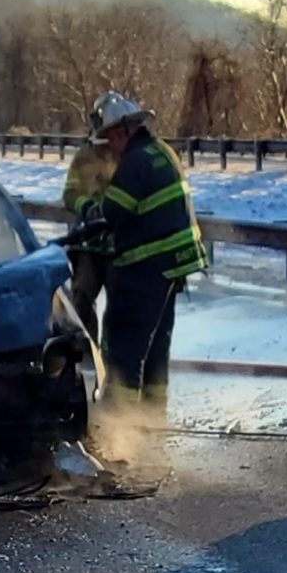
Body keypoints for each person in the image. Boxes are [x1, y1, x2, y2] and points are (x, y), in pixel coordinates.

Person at [82, 92, 206, 408]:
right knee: (155, 352)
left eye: (109, 138)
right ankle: (152, 421)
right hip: (175, 267)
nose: (109, 146)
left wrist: (88, 210)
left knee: (124, 346)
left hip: (148, 269)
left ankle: (119, 427)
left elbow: (111, 214)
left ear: (123, 130)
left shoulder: (134, 163)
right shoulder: (162, 151)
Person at [60, 132, 118, 338]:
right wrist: (86, 206)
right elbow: (69, 194)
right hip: (86, 244)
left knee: (119, 307)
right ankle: (86, 353)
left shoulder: (129, 155)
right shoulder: (84, 157)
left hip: (118, 245)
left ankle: (113, 361)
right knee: (81, 302)